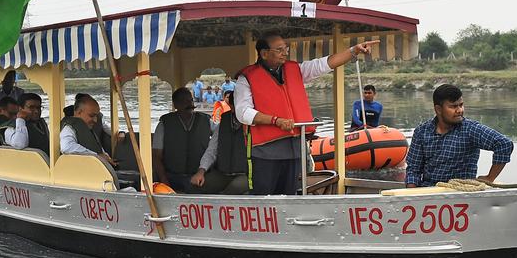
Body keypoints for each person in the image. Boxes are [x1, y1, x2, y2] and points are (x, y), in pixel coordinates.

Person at [236, 31, 379, 195]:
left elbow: (324, 64)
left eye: (286, 49)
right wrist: (275, 120)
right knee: (264, 198)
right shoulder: (246, 79)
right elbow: (242, 112)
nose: (285, 53)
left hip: (295, 150)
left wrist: (353, 50)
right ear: (264, 53)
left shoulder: (295, 70)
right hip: (265, 153)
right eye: (279, 49)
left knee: (291, 197)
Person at [405, 84, 513, 187]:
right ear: (438, 109)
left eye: (461, 105)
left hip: (460, 190)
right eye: (453, 107)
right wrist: (411, 194)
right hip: (429, 191)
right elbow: (413, 169)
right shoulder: (421, 131)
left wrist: (490, 178)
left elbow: (504, 144)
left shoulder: (470, 129)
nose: (459, 110)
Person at [151, 88, 214, 192]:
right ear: (175, 105)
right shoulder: (164, 124)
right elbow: (156, 156)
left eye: (190, 100)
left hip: (198, 176)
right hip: (172, 175)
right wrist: (164, 180)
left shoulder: (206, 121)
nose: (189, 104)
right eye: (183, 101)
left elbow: (220, 136)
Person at [193, 91, 249, 194]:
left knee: (235, 187)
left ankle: (220, 201)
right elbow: (212, 150)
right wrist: (201, 171)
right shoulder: (224, 122)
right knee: (198, 185)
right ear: (231, 106)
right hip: (222, 173)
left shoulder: (252, 123)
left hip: (245, 174)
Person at [60, 94, 115, 167]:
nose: (95, 120)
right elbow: (67, 147)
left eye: (96, 116)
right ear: (79, 112)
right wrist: (97, 156)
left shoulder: (88, 129)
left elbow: (97, 148)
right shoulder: (69, 128)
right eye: (91, 116)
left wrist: (106, 156)